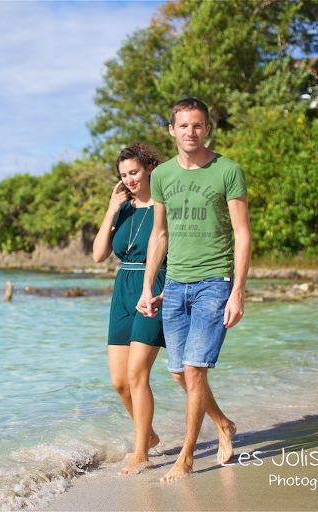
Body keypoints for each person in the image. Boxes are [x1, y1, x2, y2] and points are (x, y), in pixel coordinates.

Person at [137, 97, 251, 482]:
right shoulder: (163, 176)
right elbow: (160, 234)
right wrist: (148, 286)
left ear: (208, 129)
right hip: (175, 284)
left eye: (197, 125)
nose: (191, 132)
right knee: (178, 373)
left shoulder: (228, 171)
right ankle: (223, 424)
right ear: (172, 130)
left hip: (214, 283)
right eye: (183, 125)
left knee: (194, 368)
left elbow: (242, 234)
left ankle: (185, 458)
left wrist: (237, 291)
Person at [92, 142, 167, 476]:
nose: (130, 179)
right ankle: (147, 435)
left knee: (138, 375)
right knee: (119, 382)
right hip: (122, 289)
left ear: (149, 168)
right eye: (124, 175)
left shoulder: (165, 204)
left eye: (134, 172)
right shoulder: (122, 208)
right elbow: (98, 255)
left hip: (154, 287)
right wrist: (110, 209)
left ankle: (141, 454)